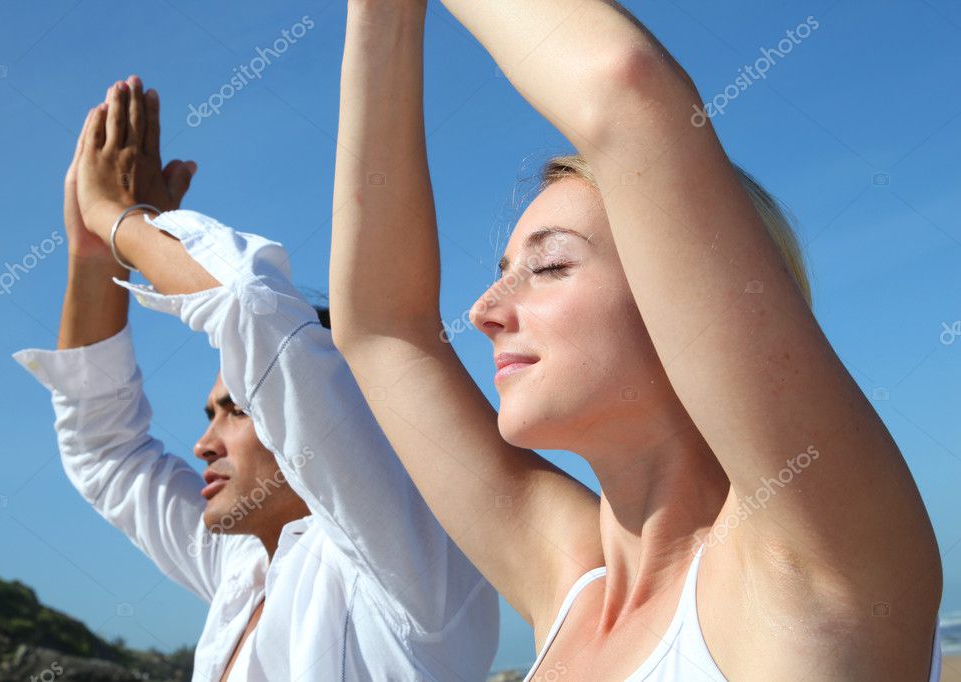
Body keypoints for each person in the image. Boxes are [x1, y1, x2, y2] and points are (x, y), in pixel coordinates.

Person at [329, 2, 943, 680]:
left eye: (551, 265)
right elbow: (383, 331)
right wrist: (379, 15)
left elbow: (625, 90)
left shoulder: (802, 557)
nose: (481, 312)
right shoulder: (571, 581)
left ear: (683, 296)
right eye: (503, 274)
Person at [13, 75, 497, 681]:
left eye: (239, 408)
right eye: (211, 414)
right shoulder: (242, 566)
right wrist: (94, 254)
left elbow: (251, 308)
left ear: (343, 411)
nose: (203, 444)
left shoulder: (404, 553)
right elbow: (103, 452)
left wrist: (120, 220)